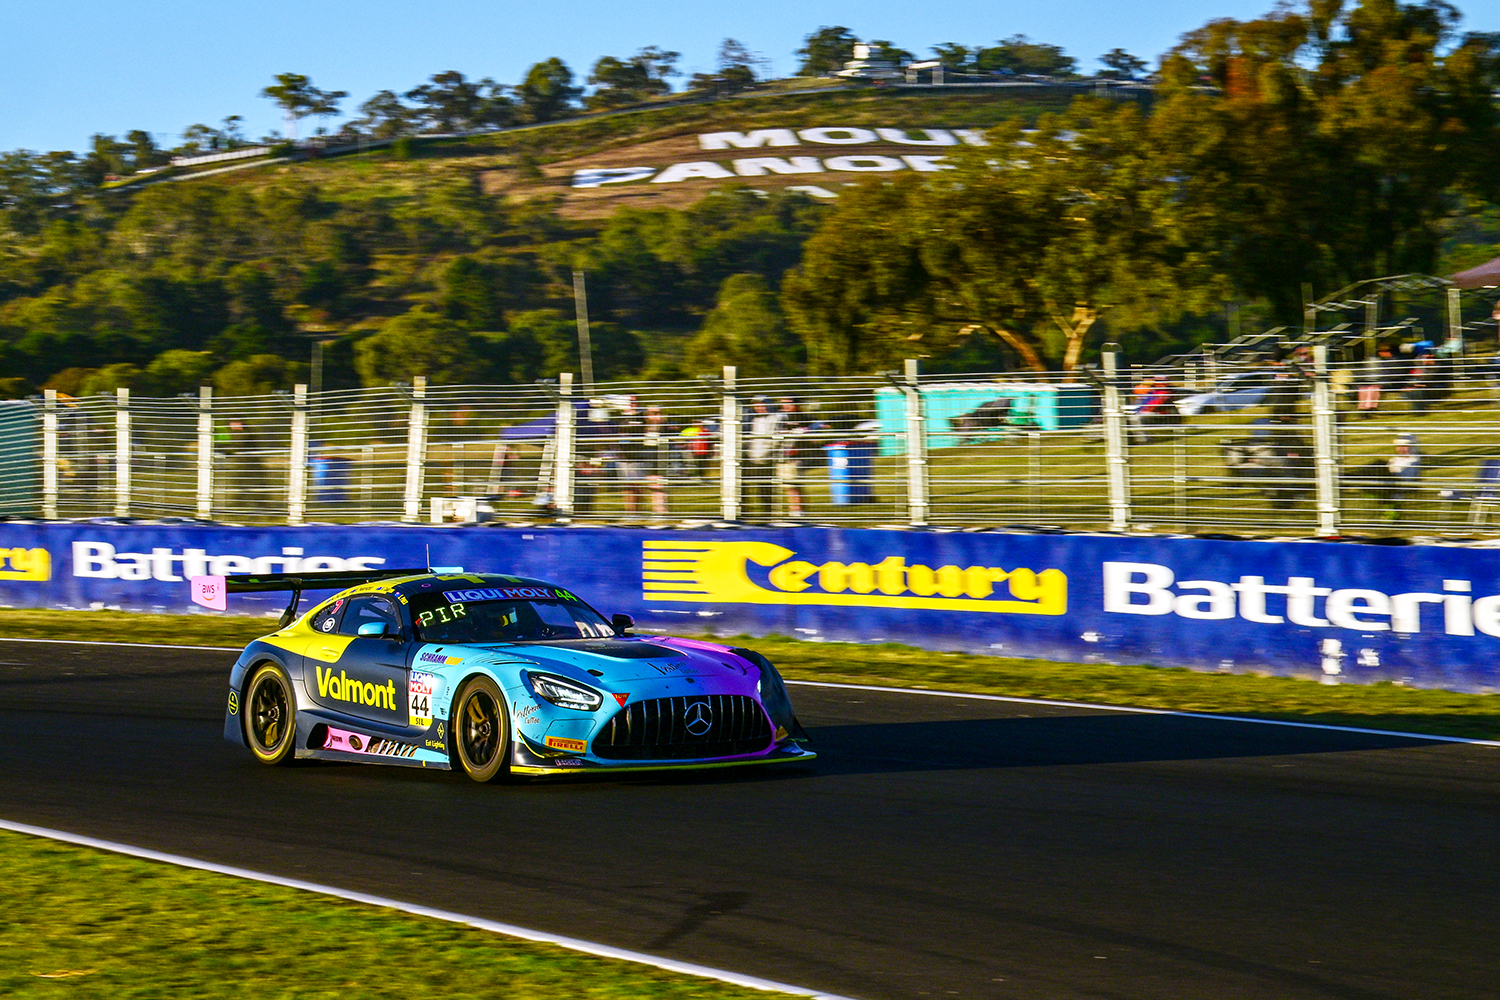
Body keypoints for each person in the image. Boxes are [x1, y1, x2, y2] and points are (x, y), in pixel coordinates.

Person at [775, 397, 810, 517]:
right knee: (787, 486)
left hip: (794, 458)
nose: (786, 406)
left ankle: (798, 512)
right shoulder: (779, 417)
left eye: (789, 404)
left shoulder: (802, 418)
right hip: (781, 457)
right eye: (783, 404)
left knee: (793, 485)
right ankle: (794, 511)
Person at [745, 396, 779, 518]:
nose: (759, 408)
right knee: (750, 486)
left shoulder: (775, 418)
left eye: (762, 405)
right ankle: (746, 514)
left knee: (765, 488)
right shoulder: (754, 420)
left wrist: (766, 453)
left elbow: (774, 440)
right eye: (756, 405)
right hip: (753, 457)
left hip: (767, 458)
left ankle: (767, 514)